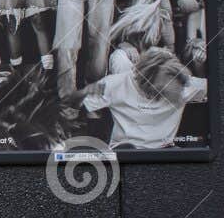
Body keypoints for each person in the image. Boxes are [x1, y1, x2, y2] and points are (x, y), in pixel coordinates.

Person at [74, 45, 207, 150]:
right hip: (124, 151)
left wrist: (200, 66)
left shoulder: (182, 85)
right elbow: (76, 103)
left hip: (165, 152)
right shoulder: (117, 83)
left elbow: (216, 87)